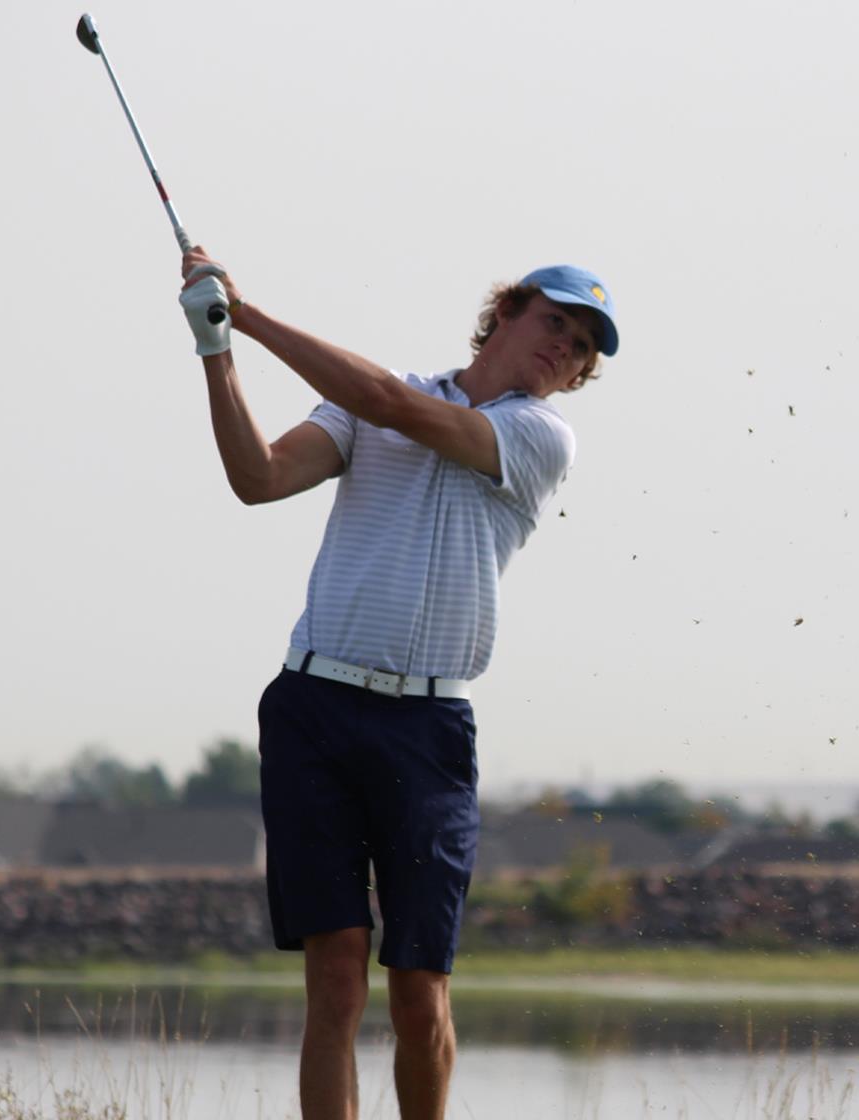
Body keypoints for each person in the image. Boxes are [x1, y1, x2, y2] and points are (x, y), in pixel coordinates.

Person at [176, 248, 618, 1120]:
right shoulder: (365, 400)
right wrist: (214, 346)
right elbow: (258, 478)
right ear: (508, 312)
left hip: (428, 731)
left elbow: (389, 403)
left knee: (419, 995)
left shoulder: (538, 437)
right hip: (314, 708)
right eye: (555, 322)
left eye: (580, 349)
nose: (562, 348)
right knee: (334, 978)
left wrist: (248, 313)